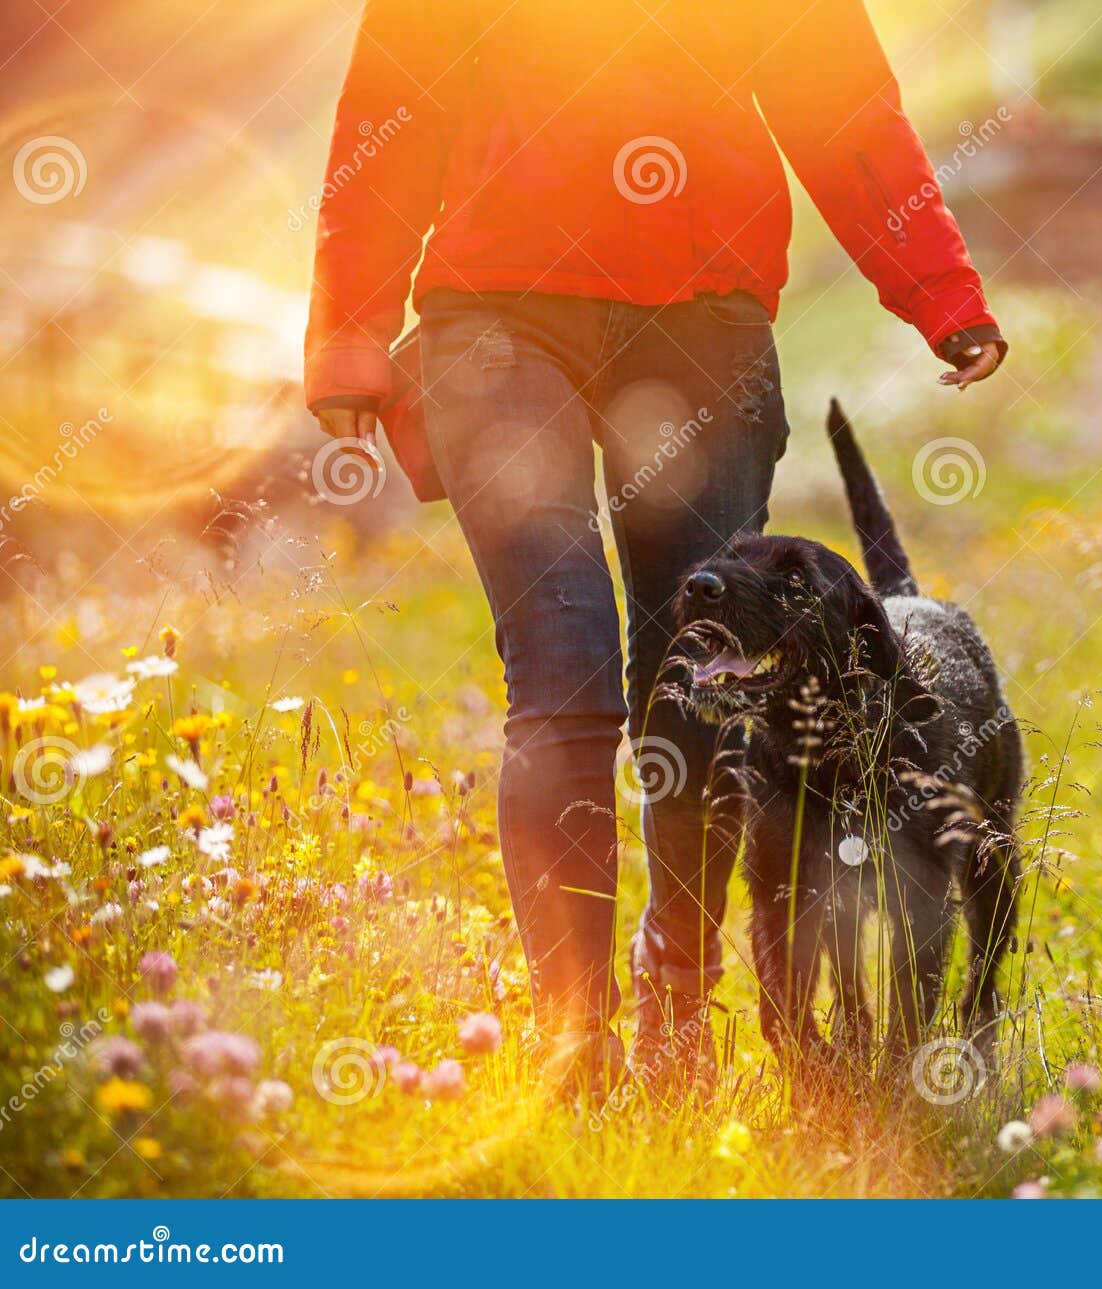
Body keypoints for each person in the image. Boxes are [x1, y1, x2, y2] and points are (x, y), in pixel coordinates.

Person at [305, 0, 1005, 1090]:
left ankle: (675, 1002)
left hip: (703, 315)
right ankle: (575, 1046)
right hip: (494, 317)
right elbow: (390, 113)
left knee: (702, 681)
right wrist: (350, 329)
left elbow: (842, 105)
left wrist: (936, 287)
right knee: (562, 664)